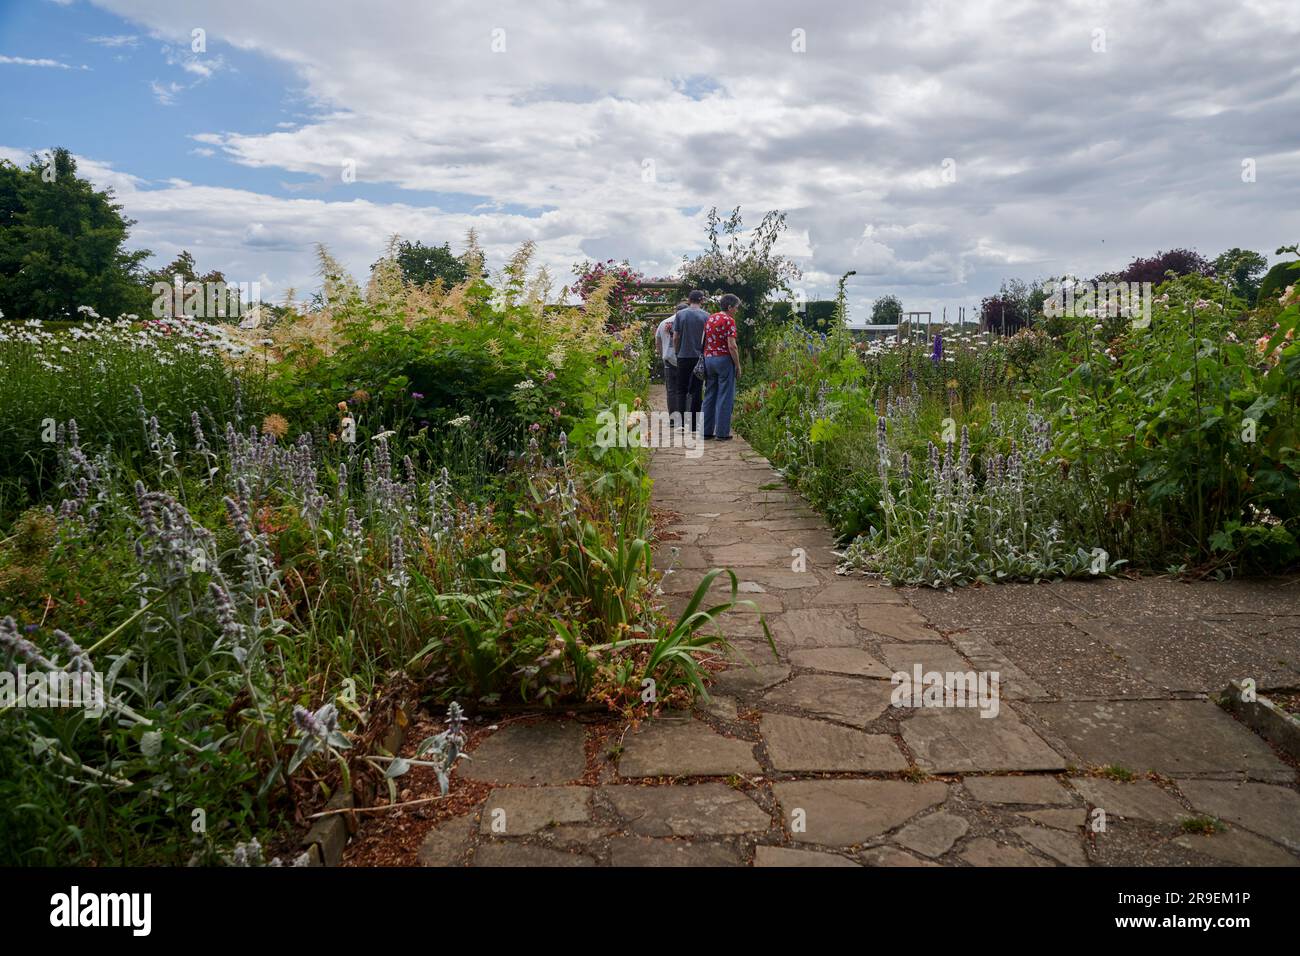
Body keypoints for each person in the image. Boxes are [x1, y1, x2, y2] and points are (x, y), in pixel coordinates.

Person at [701, 293, 741, 441]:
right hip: (723, 359)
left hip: (709, 359)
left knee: (710, 394)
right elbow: (732, 346)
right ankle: (722, 433)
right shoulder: (729, 320)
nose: (737, 310)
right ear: (729, 307)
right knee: (725, 396)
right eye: (736, 307)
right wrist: (737, 365)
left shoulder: (711, 318)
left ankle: (706, 431)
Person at [671, 289, 710, 430]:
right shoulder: (707, 316)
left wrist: (677, 351)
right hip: (699, 357)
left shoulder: (680, 315)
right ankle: (694, 424)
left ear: (689, 300)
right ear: (702, 300)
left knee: (681, 390)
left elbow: (675, 337)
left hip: (683, 356)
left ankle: (679, 423)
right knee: (697, 389)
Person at [655, 301, 686, 416]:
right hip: (685, 359)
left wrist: (662, 354)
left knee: (671, 390)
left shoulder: (663, 323)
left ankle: (673, 417)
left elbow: (657, 340)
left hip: (668, 358)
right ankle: (684, 415)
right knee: (685, 388)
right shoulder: (686, 321)